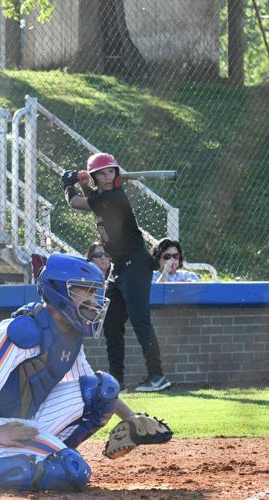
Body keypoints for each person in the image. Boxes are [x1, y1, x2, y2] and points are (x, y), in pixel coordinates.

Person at [0, 253, 170, 491]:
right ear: (59, 290)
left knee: (104, 390)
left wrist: (131, 419)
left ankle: (43, 455)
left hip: (21, 419)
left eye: (94, 292)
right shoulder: (22, 330)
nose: (94, 301)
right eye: (86, 291)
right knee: (72, 471)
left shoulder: (69, 333)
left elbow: (97, 389)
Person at [61, 153, 171, 393]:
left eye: (110, 171)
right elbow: (94, 197)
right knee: (111, 323)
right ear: (95, 177)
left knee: (140, 320)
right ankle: (116, 381)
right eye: (101, 173)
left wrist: (68, 184)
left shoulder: (114, 196)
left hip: (136, 264)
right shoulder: (104, 197)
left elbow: (76, 203)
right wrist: (82, 182)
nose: (107, 176)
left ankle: (157, 376)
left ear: (116, 174)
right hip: (119, 267)